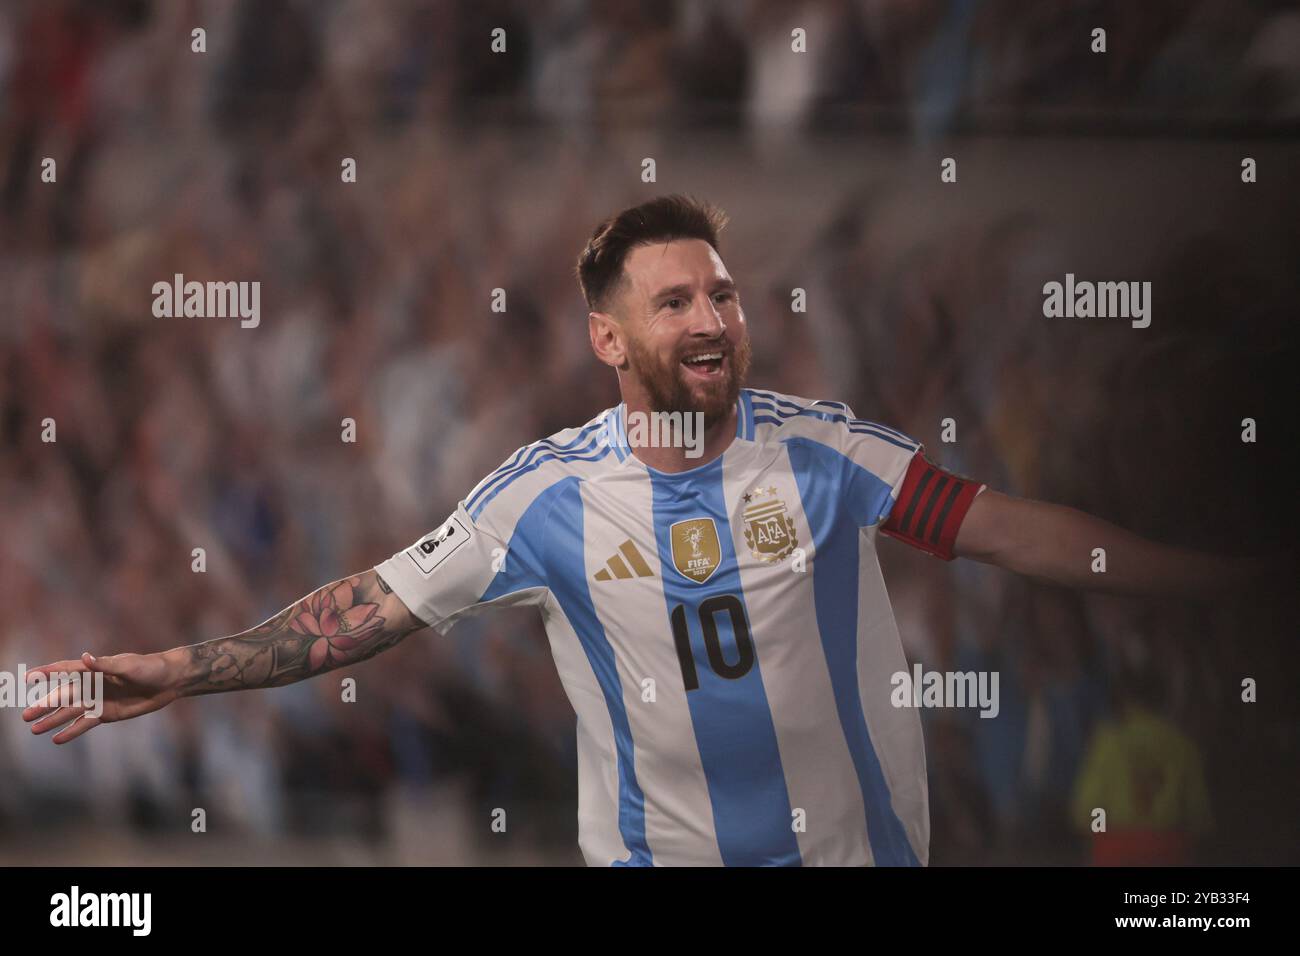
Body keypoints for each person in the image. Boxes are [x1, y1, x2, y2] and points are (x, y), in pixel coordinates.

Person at [23, 194, 1271, 866]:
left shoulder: (825, 452)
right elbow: (359, 614)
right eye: (672, 299)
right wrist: (171, 674)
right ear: (608, 338)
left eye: (720, 289)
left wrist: (1217, 576)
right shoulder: (540, 496)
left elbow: (1012, 532)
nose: (710, 313)